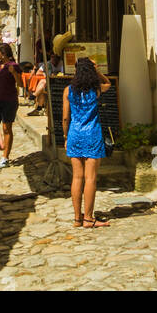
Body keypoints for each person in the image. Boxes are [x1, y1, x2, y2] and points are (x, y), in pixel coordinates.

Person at [63, 58, 112, 228]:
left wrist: (66, 136)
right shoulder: (96, 90)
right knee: (90, 178)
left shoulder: (68, 91)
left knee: (77, 177)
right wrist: (96, 71)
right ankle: (89, 218)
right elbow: (108, 83)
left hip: (75, 134)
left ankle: (77, 218)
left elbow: (65, 117)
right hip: (92, 134)